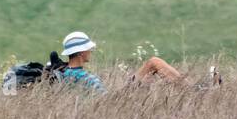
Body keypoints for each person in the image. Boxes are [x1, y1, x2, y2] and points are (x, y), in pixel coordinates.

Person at [57, 30, 191, 92]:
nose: (91, 51)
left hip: (116, 98)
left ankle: (191, 89)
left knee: (154, 63)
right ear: (81, 52)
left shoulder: (67, 73)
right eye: (89, 49)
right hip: (116, 102)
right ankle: (191, 90)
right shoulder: (82, 77)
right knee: (154, 62)